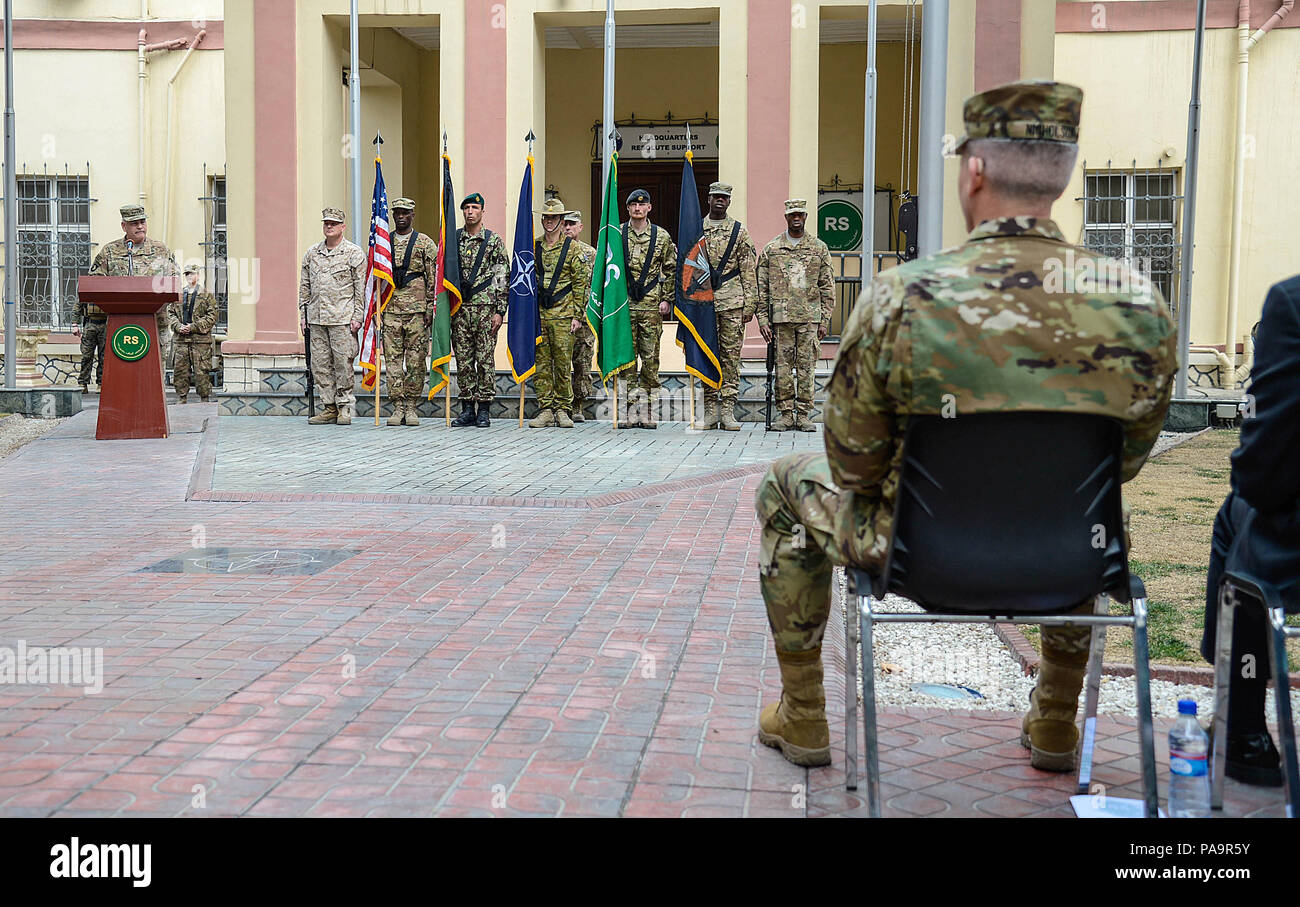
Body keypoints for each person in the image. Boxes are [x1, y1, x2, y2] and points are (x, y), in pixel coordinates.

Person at [753, 80, 1178, 770]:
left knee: (782, 488)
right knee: (1088, 505)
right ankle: (1056, 721)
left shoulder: (903, 296)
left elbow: (854, 465)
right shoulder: (1136, 300)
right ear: (1065, 175)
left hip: (918, 553)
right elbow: (1123, 462)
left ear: (974, 170)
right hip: (1071, 550)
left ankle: (803, 715)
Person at [1201, 274, 1300, 787]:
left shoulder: (1292, 302)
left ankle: (1241, 731)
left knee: (1243, 516)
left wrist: (1248, 479)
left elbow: (1264, 473)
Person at [78, 204, 179, 388]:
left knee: (153, 378)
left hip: (156, 322)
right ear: (124, 226)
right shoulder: (109, 252)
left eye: (142, 222)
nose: (140, 226)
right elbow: (95, 283)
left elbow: (174, 280)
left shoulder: (161, 250)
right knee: (122, 378)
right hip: (120, 325)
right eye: (134, 223)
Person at [756, 200, 834, 432]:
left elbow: (827, 286)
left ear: (806, 216)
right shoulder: (772, 249)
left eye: (800, 214)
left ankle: (803, 415)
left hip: (810, 318)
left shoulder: (819, 248)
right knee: (782, 368)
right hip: (781, 320)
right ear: (786, 218)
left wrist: (825, 319)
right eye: (792, 215)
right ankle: (786, 414)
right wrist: (762, 319)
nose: (796, 218)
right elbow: (762, 287)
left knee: (806, 367)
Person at [695, 181, 758, 431]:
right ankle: (710, 409)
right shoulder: (697, 228)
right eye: (715, 197)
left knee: (730, 357)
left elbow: (748, 269)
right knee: (707, 355)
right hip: (703, 305)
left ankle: (728, 410)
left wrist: (750, 305)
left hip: (732, 303)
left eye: (724, 198)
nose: (720, 201)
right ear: (708, 200)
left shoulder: (739, 232)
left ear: (729, 202)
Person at [299, 207, 366, 425]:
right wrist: (303, 315)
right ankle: (328, 407)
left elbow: (360, 288)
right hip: (316, 319)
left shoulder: (353, 253)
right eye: (326, 223)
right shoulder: (312, 254)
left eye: (334, 223)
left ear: (342, 227)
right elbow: (305, 287)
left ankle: (344, 407)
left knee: (342, 364)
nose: (329, 226)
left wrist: (358, 316)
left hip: (342, 319)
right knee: (320, 365)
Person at [452, 192, 510, 428]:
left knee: (485, 360)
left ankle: (484, 408)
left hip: (486, 309)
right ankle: (467, 408)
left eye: (474, 207)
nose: (470, 212)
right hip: (460, 310)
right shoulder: (454, 239)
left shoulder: (493, 241)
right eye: (466, 208)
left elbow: (501, 276)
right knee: (464, 360)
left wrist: (500, 310)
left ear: (482, 211)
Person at [620, 188, 676, 429]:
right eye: (634, 205)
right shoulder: (618, 234)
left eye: (642, 205)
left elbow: (672, 268)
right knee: (628, 361)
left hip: (652, 306)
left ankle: (647, 411)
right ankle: (630, 411)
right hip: (624, 306)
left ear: (649, 208)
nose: (638, 208)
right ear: (628, 208)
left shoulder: (661, 236)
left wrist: (668, 298)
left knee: (651, 360)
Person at [529, 198, 586, 428]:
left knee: (563, 364)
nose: (549, 221)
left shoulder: (573, 248)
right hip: (540, 315)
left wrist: (578, 316)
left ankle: (563, 409)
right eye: (546, 217)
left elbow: (580, 282)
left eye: (554, 218)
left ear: (562, 221)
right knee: (541, 364)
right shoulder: (534, 246)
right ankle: (546, 409)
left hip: (564, 315)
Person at [383, 197, 438, 426]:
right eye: (397, 212)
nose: (401, 216)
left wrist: (428, 308)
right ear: (393, 215)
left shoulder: (424, 242)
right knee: (393, 360)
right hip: (391, 310)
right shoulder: (384, 243)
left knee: (416, 360)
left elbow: (433, 277)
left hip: (416, 311)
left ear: (412, 215)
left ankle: (411, 406)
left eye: (405, 212)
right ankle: (397, 406)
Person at [564, 210, 598, 422]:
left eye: (572, 224)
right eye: (565, 224)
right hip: (561, 315)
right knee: (560, 362)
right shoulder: (557, 251)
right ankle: (561, 403)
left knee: (582, 363)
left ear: (580, 227)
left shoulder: (591, 254)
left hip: (584, 319)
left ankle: (577, 405)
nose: (567, 228)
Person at [167, 265, 218, 403]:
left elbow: (212, 316)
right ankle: (182, 397)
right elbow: (170, 314)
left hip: (199, 341)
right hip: (181, 340)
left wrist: (193, 327)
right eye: (187, 274)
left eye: (192, 274)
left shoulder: (206, 295)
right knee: (180, 371)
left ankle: (204, 398)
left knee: (202, 371)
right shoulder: (179, 295)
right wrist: (178, 326)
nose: (190, 277)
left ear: (198, 275)